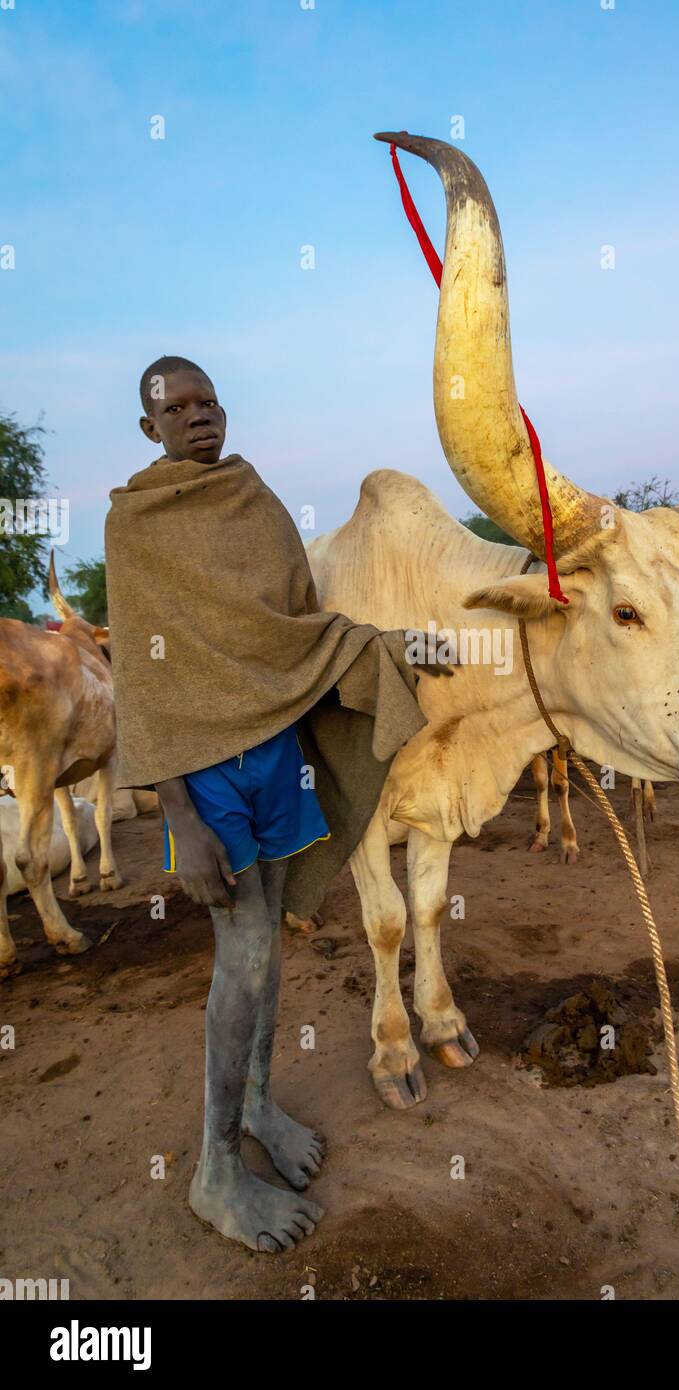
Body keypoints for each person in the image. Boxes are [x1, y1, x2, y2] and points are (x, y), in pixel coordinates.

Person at [105, 357, 440, 1252]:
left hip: (276, 758)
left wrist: (389, 648)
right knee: (242, 948)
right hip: (202, 776)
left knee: (268, 937)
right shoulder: (135, 525)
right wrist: (175, 814)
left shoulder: (253, 500)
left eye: (206, 401)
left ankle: (255, 1107)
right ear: (150, 429)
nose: (196, 416)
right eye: (174, 409)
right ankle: (216, 1172)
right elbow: (142, 678)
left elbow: (292, 633)